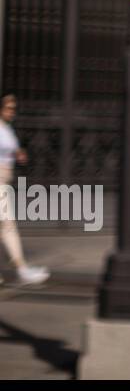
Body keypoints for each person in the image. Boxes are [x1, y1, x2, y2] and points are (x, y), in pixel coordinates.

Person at [0, 94, 49, 286]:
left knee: (5, 226)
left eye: (14, 108)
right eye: (9, 107)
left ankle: (22, 269)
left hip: (4, 179)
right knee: (8, 225)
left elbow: (8, 149)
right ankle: (22, 270)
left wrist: (18, 153)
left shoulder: (6, 128)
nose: (12, 111)